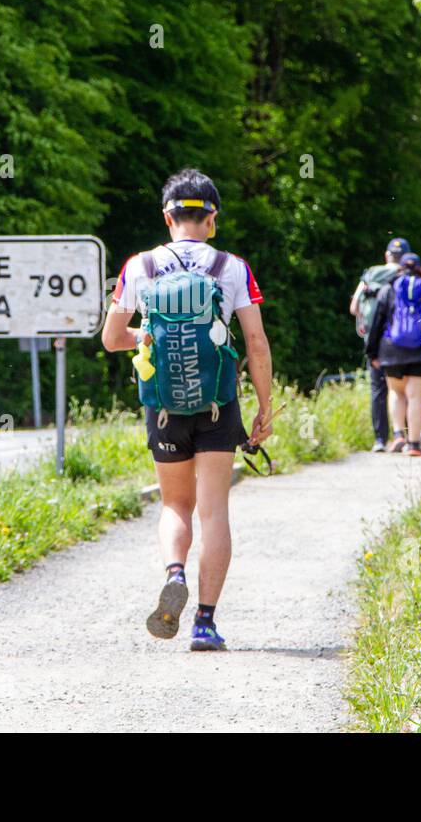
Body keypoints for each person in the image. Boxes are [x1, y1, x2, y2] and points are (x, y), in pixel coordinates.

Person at [101, 168, 274, 652]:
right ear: (212, 219)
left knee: (175, 504)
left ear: (167, 216)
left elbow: (113, 339)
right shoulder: (232, 267)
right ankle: (204, 622)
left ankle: (173, 572)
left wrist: (147, 335)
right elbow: (256, 345)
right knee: (214, 510)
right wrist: (263, 408)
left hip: (164, 406)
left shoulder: (140, 266)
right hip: (218, 403)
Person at [363, 252, 421, 456]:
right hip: (419, 350)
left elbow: (376, 323)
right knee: (415, 397)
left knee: (396, 393)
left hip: (391, 350)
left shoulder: (388, 289)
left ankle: (398, 435)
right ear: (420, 268)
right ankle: (414, 444)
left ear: (400, 268)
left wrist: (372, 353)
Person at [348, 238, 411, 452]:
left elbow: (354, 307)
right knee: (403, 390)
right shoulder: (404, 277)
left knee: (378, 390)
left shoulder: (370, 275)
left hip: (372, 343)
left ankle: (379, 440)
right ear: (405, 258)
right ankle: (405, 436)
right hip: (398, 344)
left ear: (386, 256)